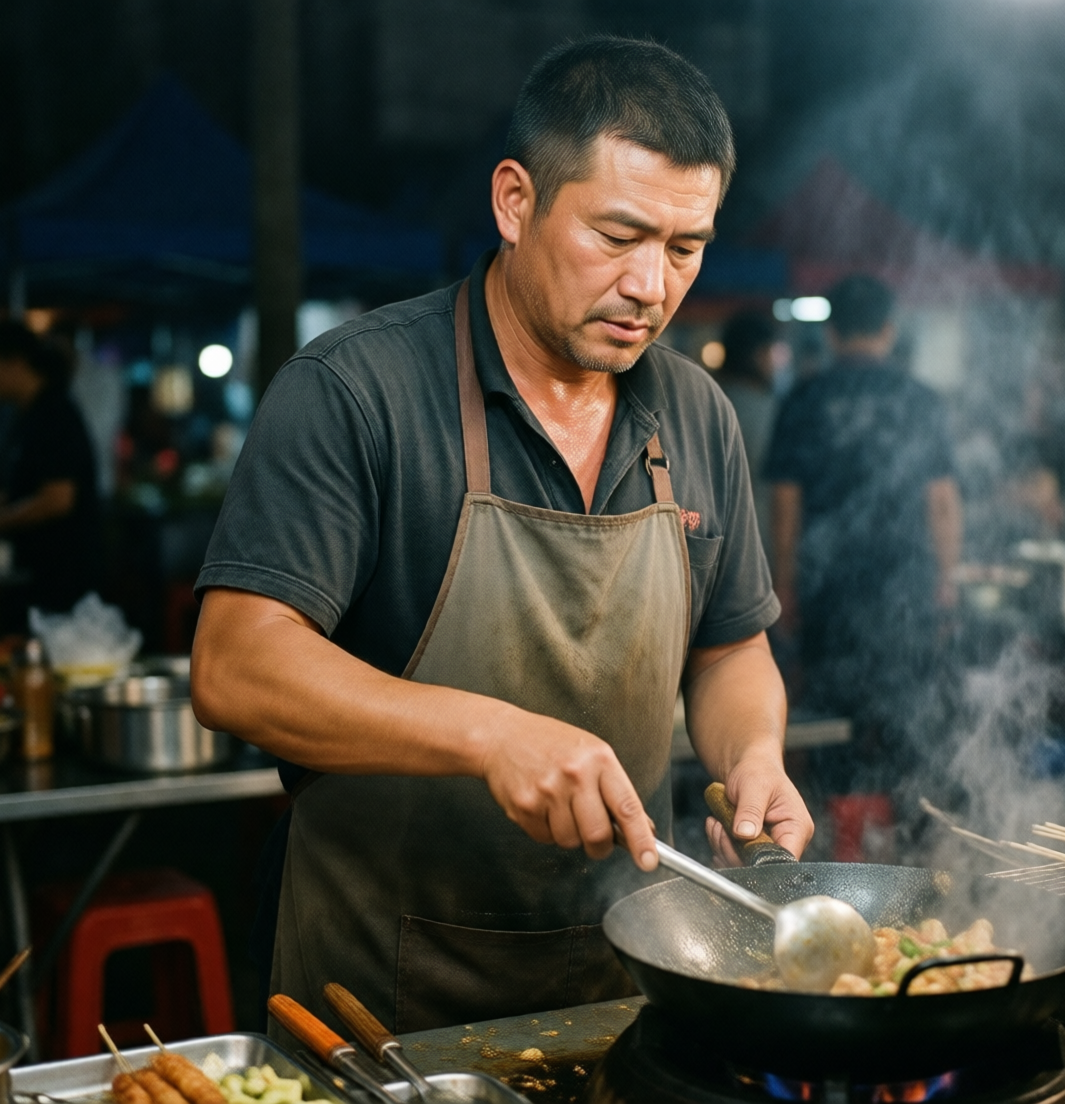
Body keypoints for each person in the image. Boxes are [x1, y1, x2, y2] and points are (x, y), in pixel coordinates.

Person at [190, 36, 810, 1036]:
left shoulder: (695, 413)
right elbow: (235, 667)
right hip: (384, 1000)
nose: (651, 286)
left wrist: (754, 758)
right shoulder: (356, 393)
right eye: (618, 234)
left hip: (625, 982)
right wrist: (488, 734)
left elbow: (731, 648)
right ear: (514, 201)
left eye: (683, 248)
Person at [765, 275, 962, 768]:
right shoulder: (921, 399)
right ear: (889, 331)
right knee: (908, 724)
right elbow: (941, 502)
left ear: (831, 333)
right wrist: (945, 579)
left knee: (831, 727)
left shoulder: (804, 399)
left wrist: (784, 584)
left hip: (827, 589)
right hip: (907, 586)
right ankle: (905, 832)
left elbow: (785, 503)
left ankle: (837, 830)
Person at [0, 321, 102, 613]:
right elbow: (26, 484)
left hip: (62, 575)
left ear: (15, 364)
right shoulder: (27, 414)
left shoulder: (54, 414)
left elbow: (57, 499)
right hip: (35, 573)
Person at [714, 310, 780, 563]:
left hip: (703, 543)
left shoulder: (702, 401)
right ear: (759, 355)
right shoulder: (769, 411)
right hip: (757, 545)